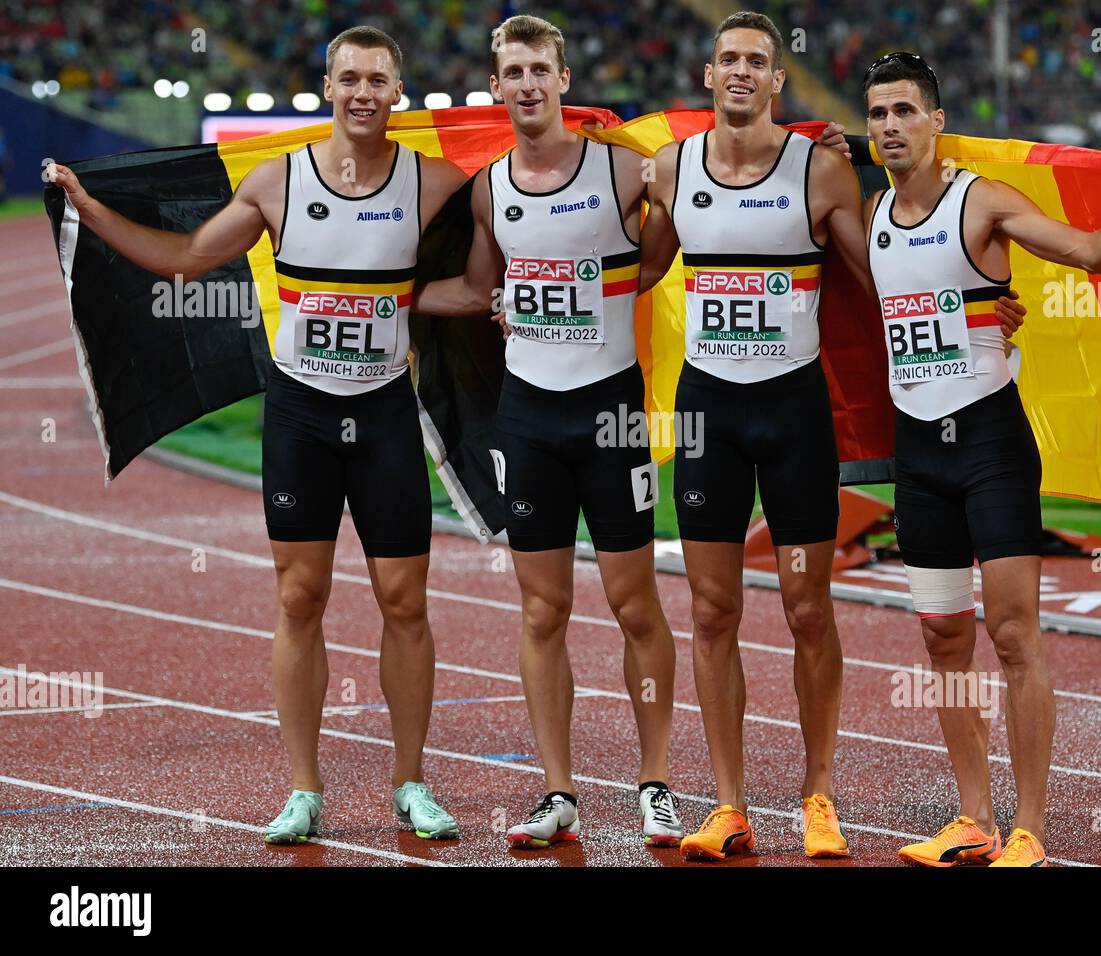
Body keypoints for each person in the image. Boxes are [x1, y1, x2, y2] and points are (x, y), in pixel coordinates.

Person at [47, 26, 470, 845]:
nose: (362, 93)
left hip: (383, 412)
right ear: (328, 84)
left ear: (397, 94)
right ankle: (304, 791)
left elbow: (511, 218)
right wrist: (91, 210)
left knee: (404, 601)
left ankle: (410, 782)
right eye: (348, 78)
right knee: (299, 597)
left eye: (377, 80)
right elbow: (185, 261)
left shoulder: (434, 183)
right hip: (302, 415)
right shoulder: (281, 181)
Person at [638, 12, 1028, 861]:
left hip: (793, 414)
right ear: (708, 75)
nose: (741, 72)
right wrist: (524, 285)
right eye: (728, 59)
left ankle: (819, 796)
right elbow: (639, 267)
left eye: (758, 63)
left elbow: (888, 277)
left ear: (779, 82)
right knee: (711, 611)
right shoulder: (671, 171)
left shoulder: (817, 172)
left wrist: (975, 307)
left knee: (809, 608)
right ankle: (729, 806)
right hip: (708, 412)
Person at [860, 51, 1101, 867]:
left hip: (990, 446)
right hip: (916, 452)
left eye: (904, 111)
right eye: (877, 114)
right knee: (941, 641)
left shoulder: (981, 200)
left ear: (935, 121)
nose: (890, 126)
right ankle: (972, 817)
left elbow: (1093, 255)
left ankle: (1027, 827)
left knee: (1013, 634)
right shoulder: (869, 216)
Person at [412, 14, 688, 848]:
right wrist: (369, 295)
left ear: (564, 80)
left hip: (610, 414)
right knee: (543, 612)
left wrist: (655, 226)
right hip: (527, 419)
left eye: (541, 69)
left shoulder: (623, 172)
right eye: (512, 72)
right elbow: (475, 289)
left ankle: (655, 784)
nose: (527, 84)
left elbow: (658, 260)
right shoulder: (491, 189)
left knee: (635, 604)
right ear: (495, 88)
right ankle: (559, 794)